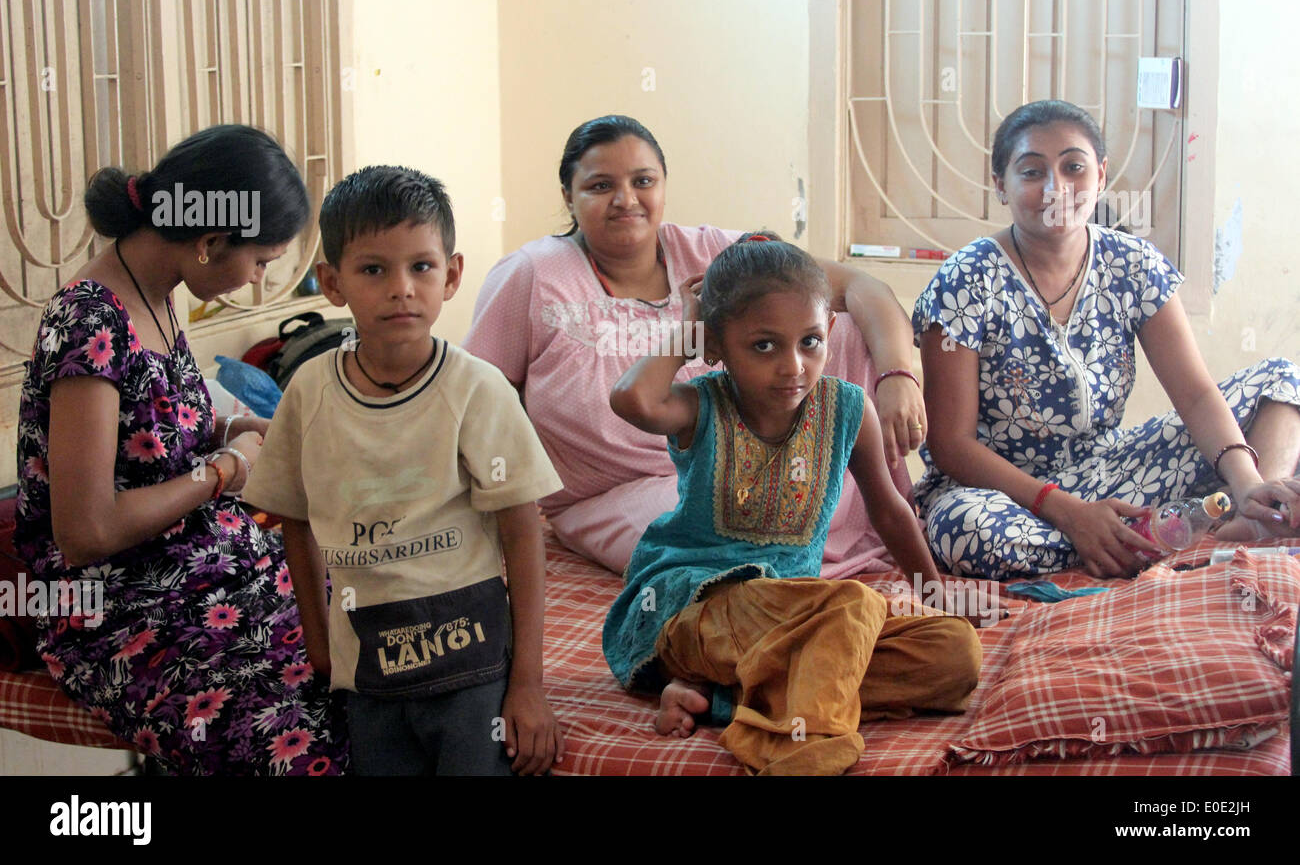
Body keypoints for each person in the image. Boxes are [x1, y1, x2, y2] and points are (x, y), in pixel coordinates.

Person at [14, 124, 348, 774]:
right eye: (258, 261)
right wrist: (225, 471)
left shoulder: (156, 297)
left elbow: (158, 438)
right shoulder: (90, 323)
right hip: (119, 619)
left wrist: (234, 431)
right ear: (209, 242)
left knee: (392, 659)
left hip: (208, 582)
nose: (255, 281)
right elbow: (86, 531)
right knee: (316, 742)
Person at [465, 115, 926, 578]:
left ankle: (840, 521)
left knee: (833, 326)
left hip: (751, 456)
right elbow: (479, 394)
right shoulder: (532, 274)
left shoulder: (711, 252)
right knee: (718, 545)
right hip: (621, 492)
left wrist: (897, 378)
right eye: (601, 185)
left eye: (643, 181)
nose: (626, 200)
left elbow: (865, 288)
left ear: (663, 184)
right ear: (568, 194)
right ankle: (796, 562)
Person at [602, 235, 981, 776]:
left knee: (952, 653)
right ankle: (799, 753)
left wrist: (936, 594)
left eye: (809, 342)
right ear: (717, 346)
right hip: (696, 608)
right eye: (764, 346)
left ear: (829, 331)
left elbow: (891, 511)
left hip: (799, 618)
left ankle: (716, 698)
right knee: (851, 605)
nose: (793, 366)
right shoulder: (700, 406)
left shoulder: (849, 409)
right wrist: (687, 329)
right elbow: (632, 399)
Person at [242, 166, 566, 775]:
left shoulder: (476, 389)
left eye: (421, 266)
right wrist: (319, 647)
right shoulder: (311, 393)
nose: (402, 288)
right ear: (332, 283)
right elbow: (295, 521)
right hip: (369, 672)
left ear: (453, 275)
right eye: (373, 270)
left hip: (471, 666)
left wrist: (527, 684)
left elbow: (524, 533)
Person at [914, 99, 1300, 580]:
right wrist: (1068, 512)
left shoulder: (1132, 263)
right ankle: (1177, 531)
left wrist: (1246, 483)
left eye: (1074, 167)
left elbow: (1197, 395)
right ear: (1001, 185)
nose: (1057, 187)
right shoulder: (966, 281)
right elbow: (951, 444)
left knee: (1281, 381)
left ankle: (1256, 515)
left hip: (1111, 468)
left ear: (1100, 175)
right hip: (1007, 493)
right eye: (1032, 172)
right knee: (962, 529)